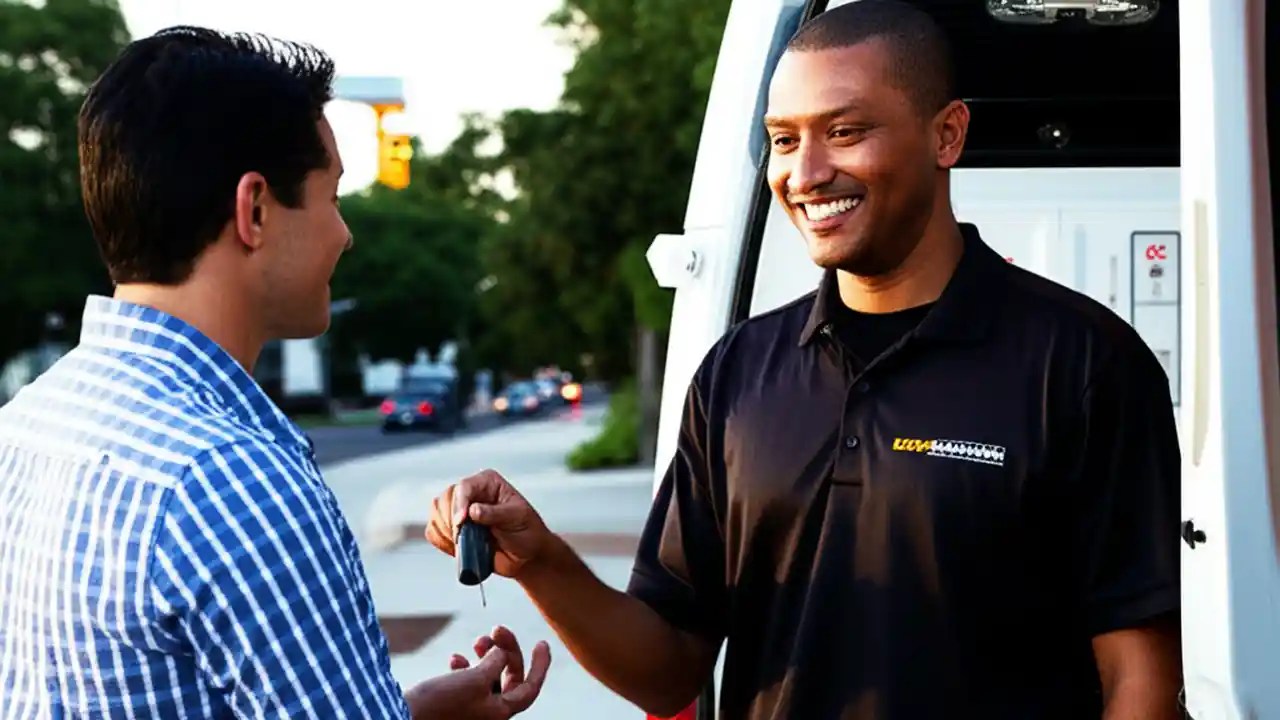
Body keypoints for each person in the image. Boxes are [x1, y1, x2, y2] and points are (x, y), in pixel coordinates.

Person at [426, 2, 1183, 718]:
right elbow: (669, 668)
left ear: (947, 135)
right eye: (784, 140)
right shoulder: (737, 373)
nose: (807, 172)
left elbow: (1139, 678)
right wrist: (542, 561)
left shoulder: (1084, 364)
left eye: (845, 132)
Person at [0, 26, 549, 719]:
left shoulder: (25, 426)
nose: (344, 234)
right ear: (254, 209)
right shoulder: (232, 480)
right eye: (332, 197)